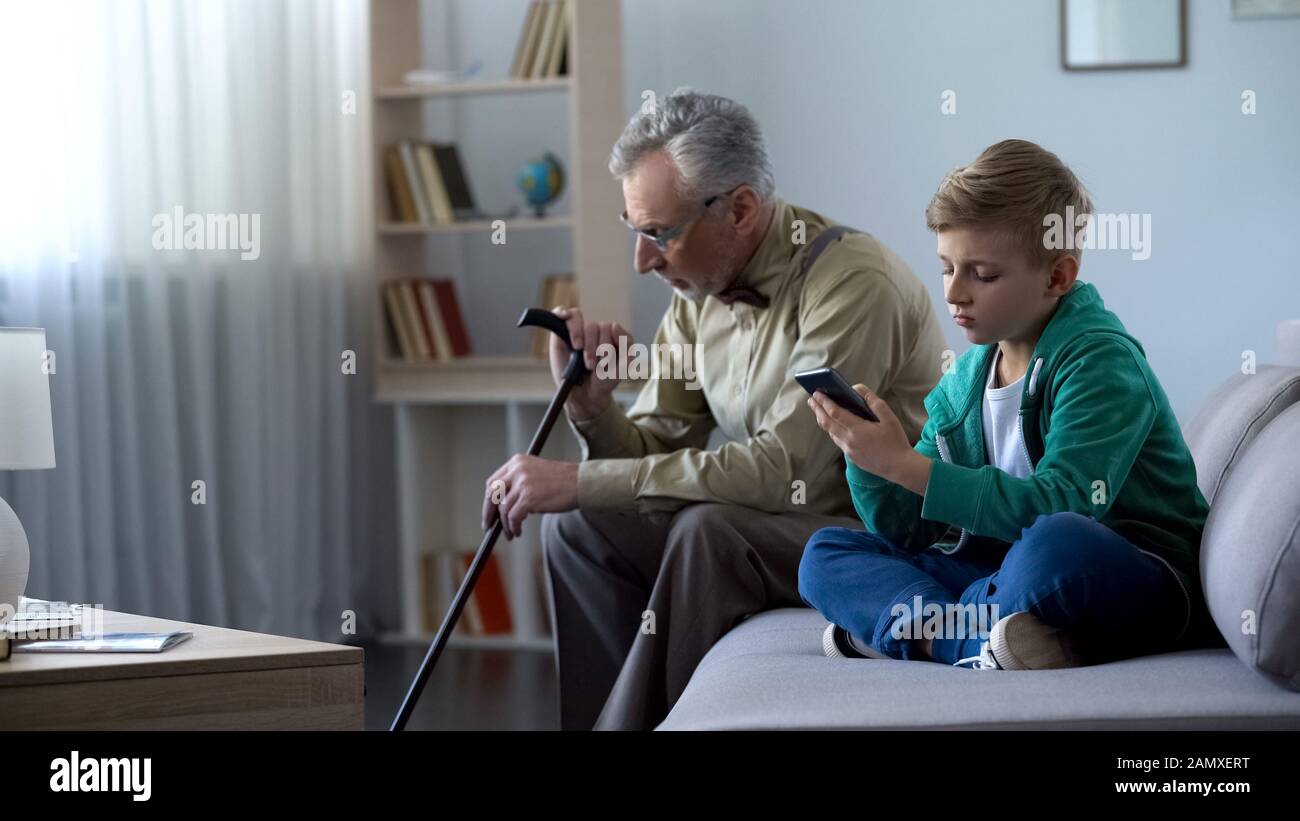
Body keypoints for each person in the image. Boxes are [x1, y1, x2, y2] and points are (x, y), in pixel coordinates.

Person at [481, 89, 945, 729]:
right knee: (580, 525)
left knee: (709, 531)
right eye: (634, 231)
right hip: (778, 525)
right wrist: (592, 411)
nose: (642, 261)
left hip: (869, 535)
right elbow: (657, 446)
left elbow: (787, 474)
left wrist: (578, 478)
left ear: (741, 209)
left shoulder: (852, 283)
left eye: (658, 234)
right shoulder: (697, 294)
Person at [799, 139, 1216, 671]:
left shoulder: (1101, 362)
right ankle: (977, 639)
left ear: (1057, 276)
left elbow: (1067, 503)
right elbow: (907, 531)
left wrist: (906, 466)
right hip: (1002, 569)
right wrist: (870, 461)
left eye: (983, 274)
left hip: (1132, 570)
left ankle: (916, 629)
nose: (954, 293)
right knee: (826, 554)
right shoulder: (966, 380)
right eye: (946, 268)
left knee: (1058, 540)